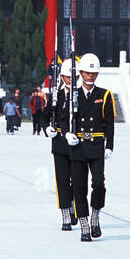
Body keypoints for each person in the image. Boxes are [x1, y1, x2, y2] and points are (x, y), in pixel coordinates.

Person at [63, 53, 114, 242]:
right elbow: (64, 119)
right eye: (87, 72)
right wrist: (67, 133)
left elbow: (109, 123)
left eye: (94, 72)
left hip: (97, 145)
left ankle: (95, 215)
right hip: (78, 146)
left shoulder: (105, 95)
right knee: (78, 187)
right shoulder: (72, 94)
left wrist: (110, 145)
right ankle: (84, 224)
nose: (90, 76)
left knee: (99, 183)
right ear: (81, 73)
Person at [47, 64, 78, 230]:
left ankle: (73, 204)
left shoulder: (80, 95)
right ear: (62, 77)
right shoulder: (56, 96)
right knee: (62, 180)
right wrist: (47, 128)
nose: (71, 80)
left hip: (76, 144)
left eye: (73, 77)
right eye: (68, 77)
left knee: (77, 180)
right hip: (59, 143)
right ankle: (65, 212)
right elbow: (45, 115)